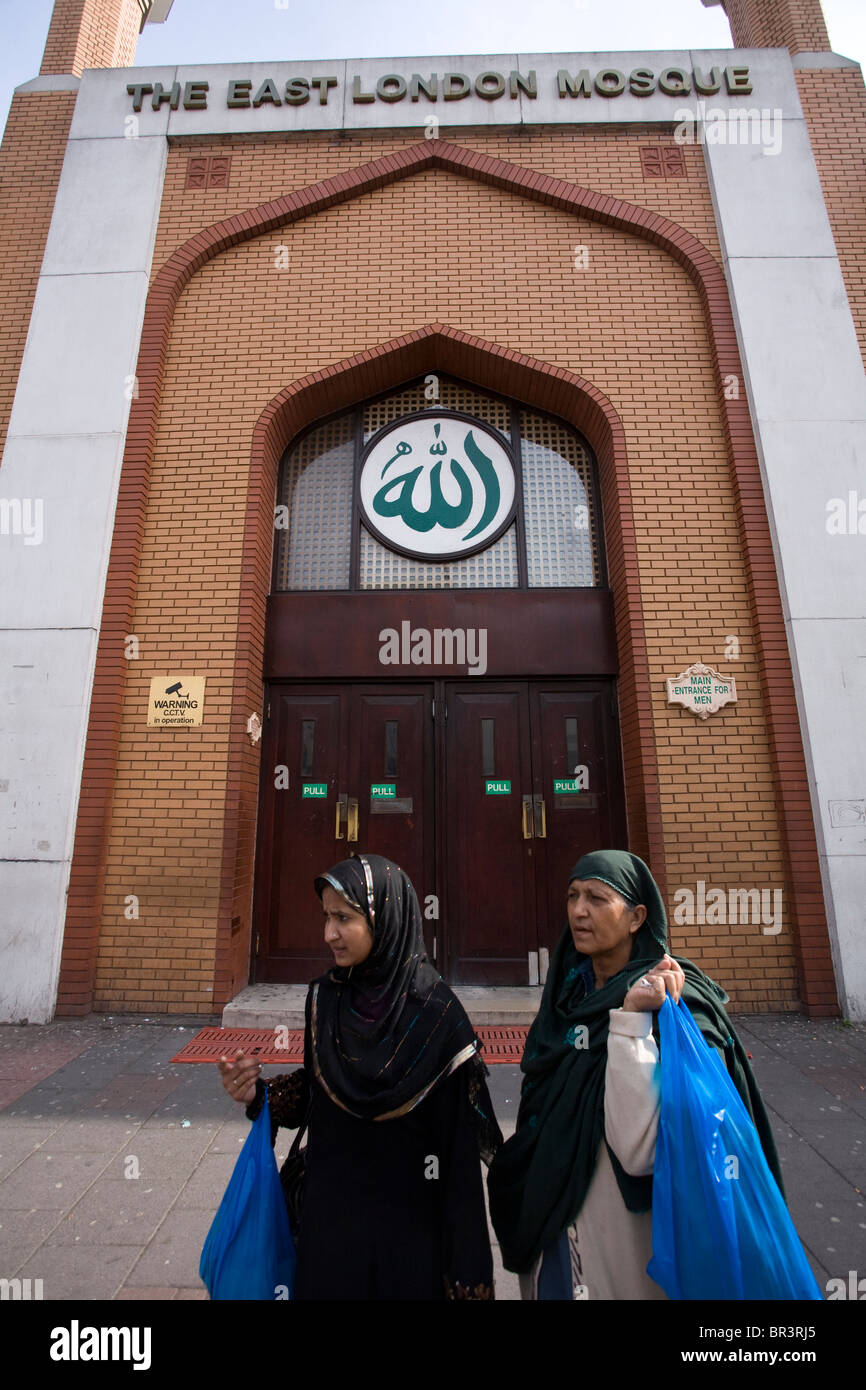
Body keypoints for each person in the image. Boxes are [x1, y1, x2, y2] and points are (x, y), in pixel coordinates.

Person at [487, 849, 785, 1301]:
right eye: (572, 896)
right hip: (556, 1220)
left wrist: (630, 1022)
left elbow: (640, 1150)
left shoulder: (674, 1003)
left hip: (626, 1234)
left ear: (636, 916)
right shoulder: (566, 1001)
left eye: (597, 898)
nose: (579, 911)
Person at [218, 852, 501, 1300]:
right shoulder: (325, 998)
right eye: (326, 917)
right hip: (328, 1226)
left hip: (409, 1233)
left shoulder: (437, 1015)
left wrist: (468, 1271)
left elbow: (458, 1160)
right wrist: (259, 1093)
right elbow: (319, 1091)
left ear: (385, 918)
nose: (329, 933)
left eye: (344, 918)